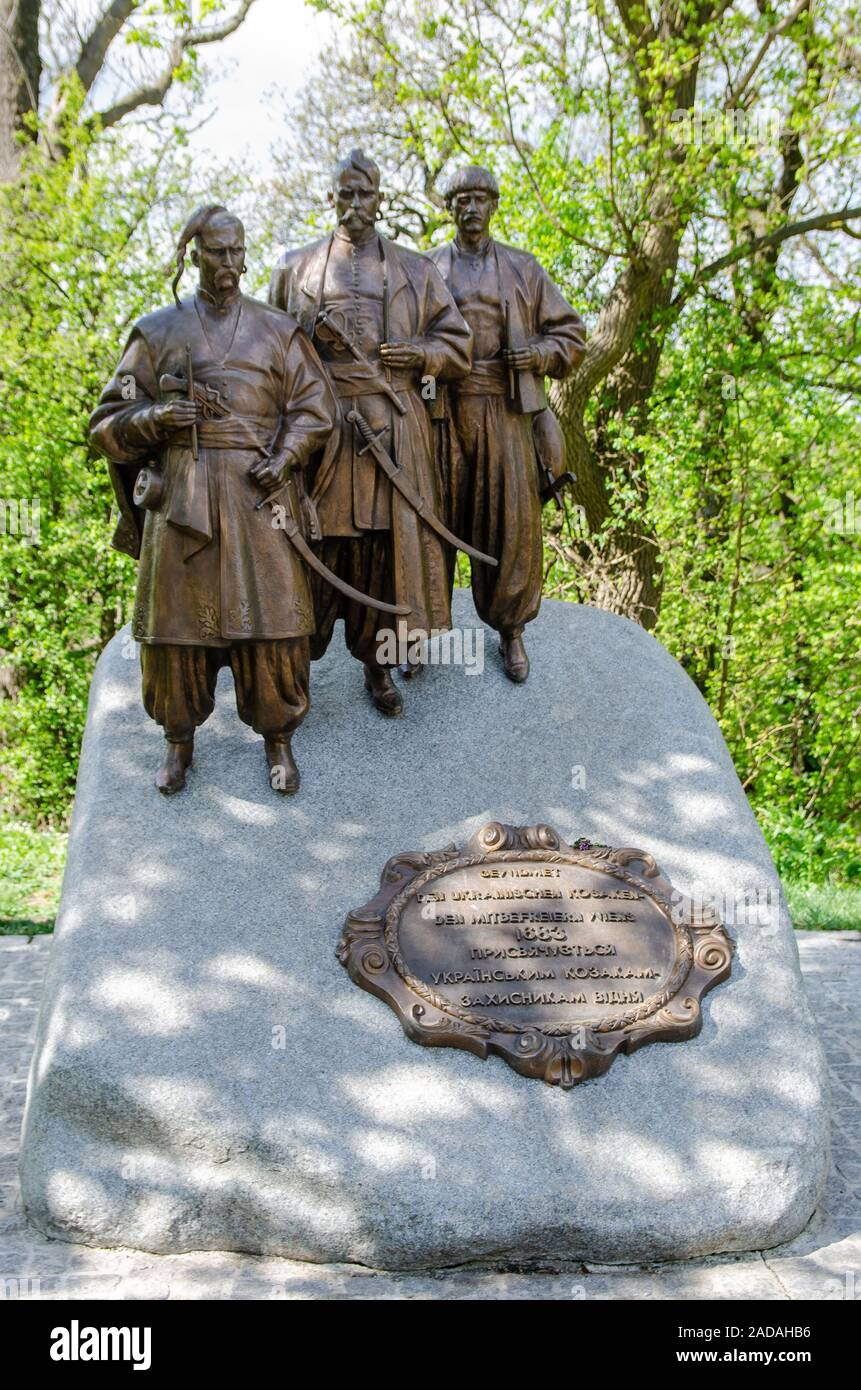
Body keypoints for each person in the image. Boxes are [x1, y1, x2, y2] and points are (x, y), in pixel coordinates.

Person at [90, 205, 337, 795]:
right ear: (193, 255)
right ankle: (178, 742)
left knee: (275, 624)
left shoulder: (278, 331)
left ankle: (278, 738)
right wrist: (157, 417)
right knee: (173, 632)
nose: (229, 264)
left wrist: (284, 457)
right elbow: (105, 424)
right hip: (184, 497)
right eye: (216, 252)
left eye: (236, 251)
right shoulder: (156, 332)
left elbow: (315, 409)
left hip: (258, 495)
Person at [269, 149, 472, 716]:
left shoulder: (415, 269)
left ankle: (377, 666)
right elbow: (269, 351)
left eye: (365, 195)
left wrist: (421, 353)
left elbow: (458, 345)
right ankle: (296, 669)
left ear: (380, 200)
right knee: (314, 545)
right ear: (331, 198)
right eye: (345, 194)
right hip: (324, 430)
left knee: (383, 552)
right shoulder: (296, 268)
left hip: (390, 423)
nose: (354, 206)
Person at [429, 166, 587, 683]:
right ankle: (420, 633)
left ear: (493, 205)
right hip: (443, 412)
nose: (471, 208)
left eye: (480, 199)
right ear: (449, 208)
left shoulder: (523, 269)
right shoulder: (426, 269)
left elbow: (572, 338)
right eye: (461, 200)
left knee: (511, 527)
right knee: (432, 523)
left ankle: (511, 632)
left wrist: (537, 353)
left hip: (507, 410)